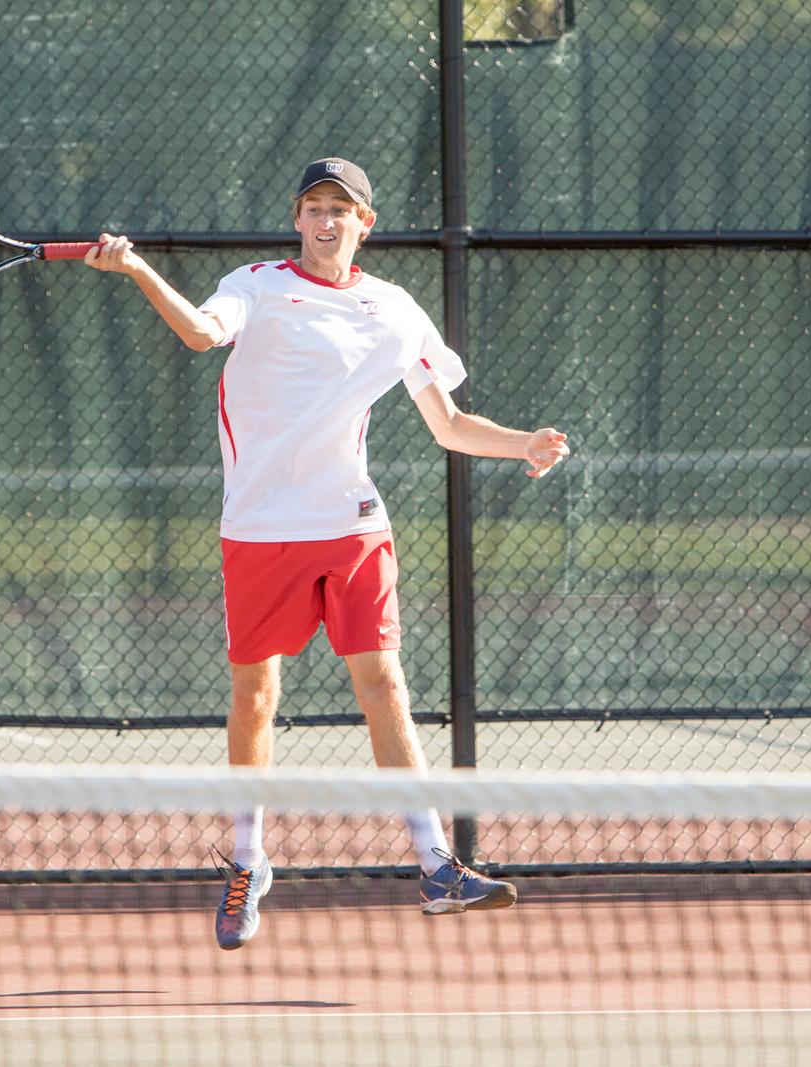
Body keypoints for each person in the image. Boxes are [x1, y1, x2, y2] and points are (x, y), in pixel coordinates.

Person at [85, 157, 569, 950]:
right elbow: (202, 333)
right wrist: (136, 266)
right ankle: (247, 859)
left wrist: (523, 445)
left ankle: (437, 865)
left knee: (383, 681)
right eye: (313, 207)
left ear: (363, 224)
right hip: (260, 527)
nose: (325, 219)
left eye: (340, 208)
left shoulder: (395, 310)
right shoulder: (257, 285)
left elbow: (447, 422)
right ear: (298, 219)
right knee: (255, 699)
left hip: (351, 524)